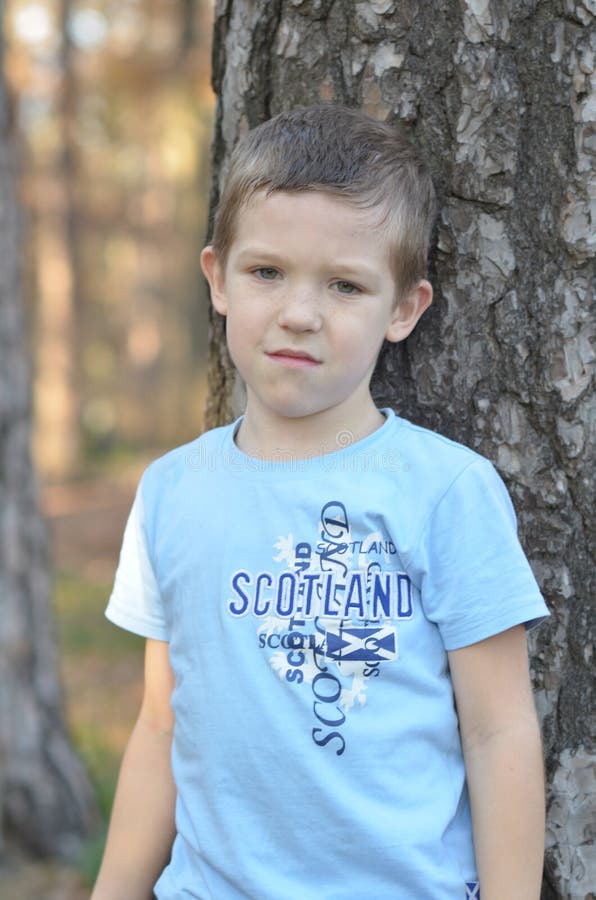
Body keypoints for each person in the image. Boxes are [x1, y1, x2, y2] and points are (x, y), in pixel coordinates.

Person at [92, 105, 549, 900]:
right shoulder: (171, 491)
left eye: (345, 285)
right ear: (218, 279)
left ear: (403, 309)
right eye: (266, 272)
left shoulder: (444, 491)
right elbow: (162, 723)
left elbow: (498, 730)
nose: (299, 314)